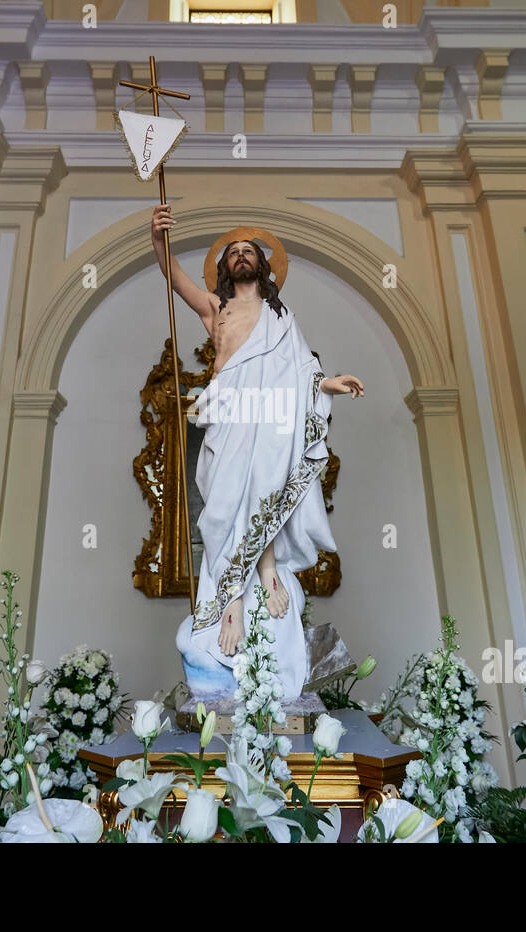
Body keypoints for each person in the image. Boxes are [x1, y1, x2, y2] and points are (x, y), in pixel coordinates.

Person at [150, 203, 364, 702]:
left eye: (250, 252)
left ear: (263, 267)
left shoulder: (281, 316)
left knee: (263, 491)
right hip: (230, 412)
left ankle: (253, 584)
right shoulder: (215, 309)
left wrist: (326, 384)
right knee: (226, 506)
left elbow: (301, 371)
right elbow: (171, 275)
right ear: (225, 267)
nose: (242, 257)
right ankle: (236, 592)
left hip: (268, 413)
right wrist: (156, 237)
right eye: (234, 253)